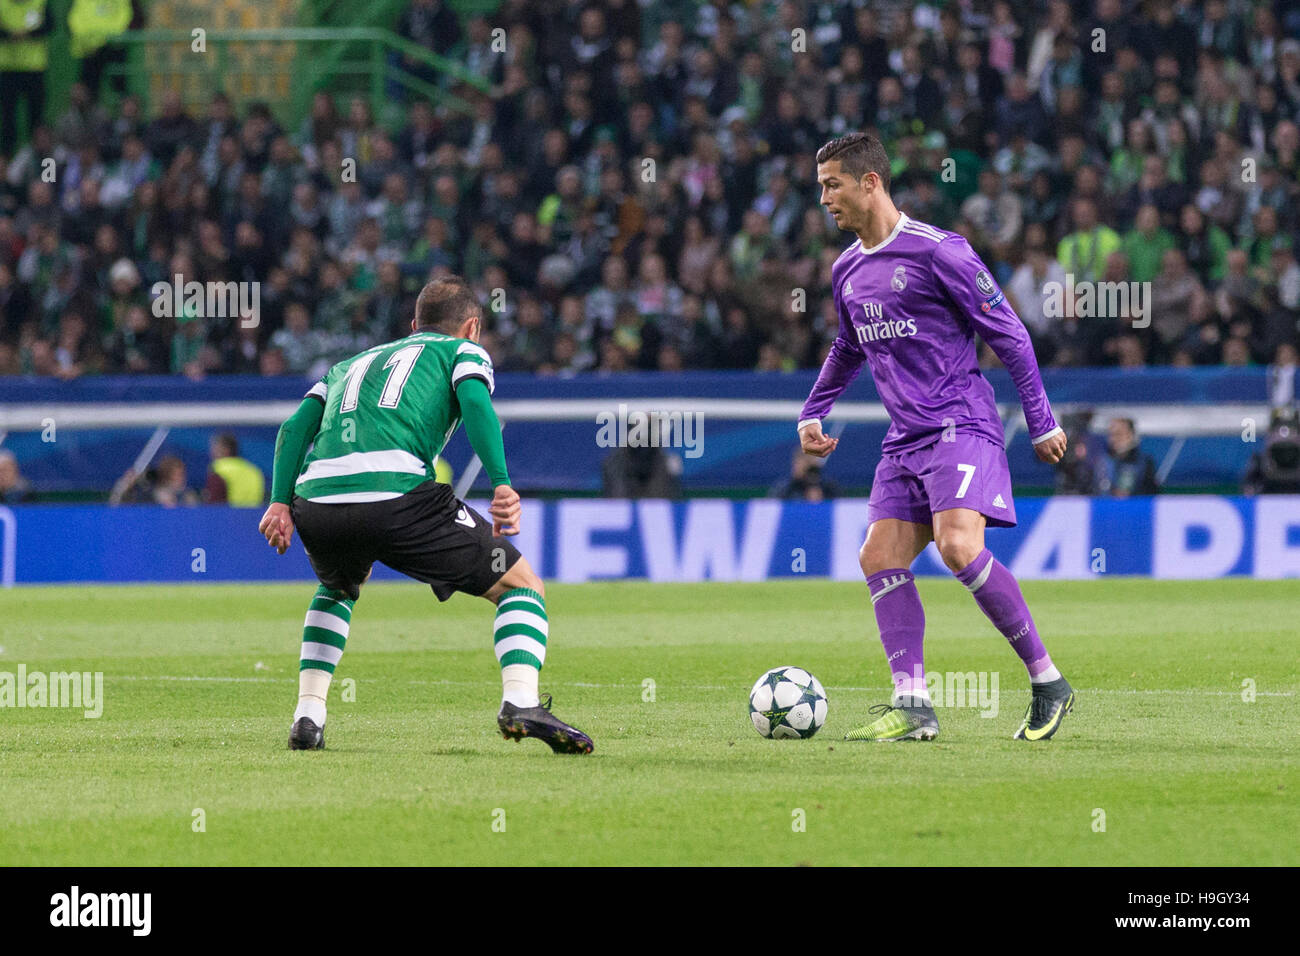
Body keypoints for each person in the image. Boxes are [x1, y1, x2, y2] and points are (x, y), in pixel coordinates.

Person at [799, 132, 1073, 743]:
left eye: (832, 185)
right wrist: (813, 409)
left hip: (961, 423)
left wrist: (1041, 417)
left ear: (871, 182)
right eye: (821, 188)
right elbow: (848, 346)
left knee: (956, 546)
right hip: (905, 438)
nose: (824, 199)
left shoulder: (940, 252)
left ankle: (1048, 680)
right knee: (879, 556)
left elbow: (1011, 335)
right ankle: (914, 705)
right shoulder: (846, 268)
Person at [258, 277, 592, 754]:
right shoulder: (462, 350)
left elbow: (293, 430)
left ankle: (308, 715)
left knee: (337, 586)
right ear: (472, 327)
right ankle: (520, 701)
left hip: (316, 504)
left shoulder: (346, 366)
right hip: (399, 501)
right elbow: (476, 404)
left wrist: (278, 501)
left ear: (413, 325)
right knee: (520, 584)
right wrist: (501, 481)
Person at [1101, 417, 1159, 496]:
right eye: (1111, 434)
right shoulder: (1101, 462)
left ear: (1131, 435)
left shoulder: (1144, 462)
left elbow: (1152, 494)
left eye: (1119, 434)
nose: (1114, 439)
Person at [204, 432, 266, 506]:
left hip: (229, 515)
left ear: (226, 449)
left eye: (216, 447)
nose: (212, 452)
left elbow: (215, 503)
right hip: (254, 515)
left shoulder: (219, 468)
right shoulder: (253, 470)